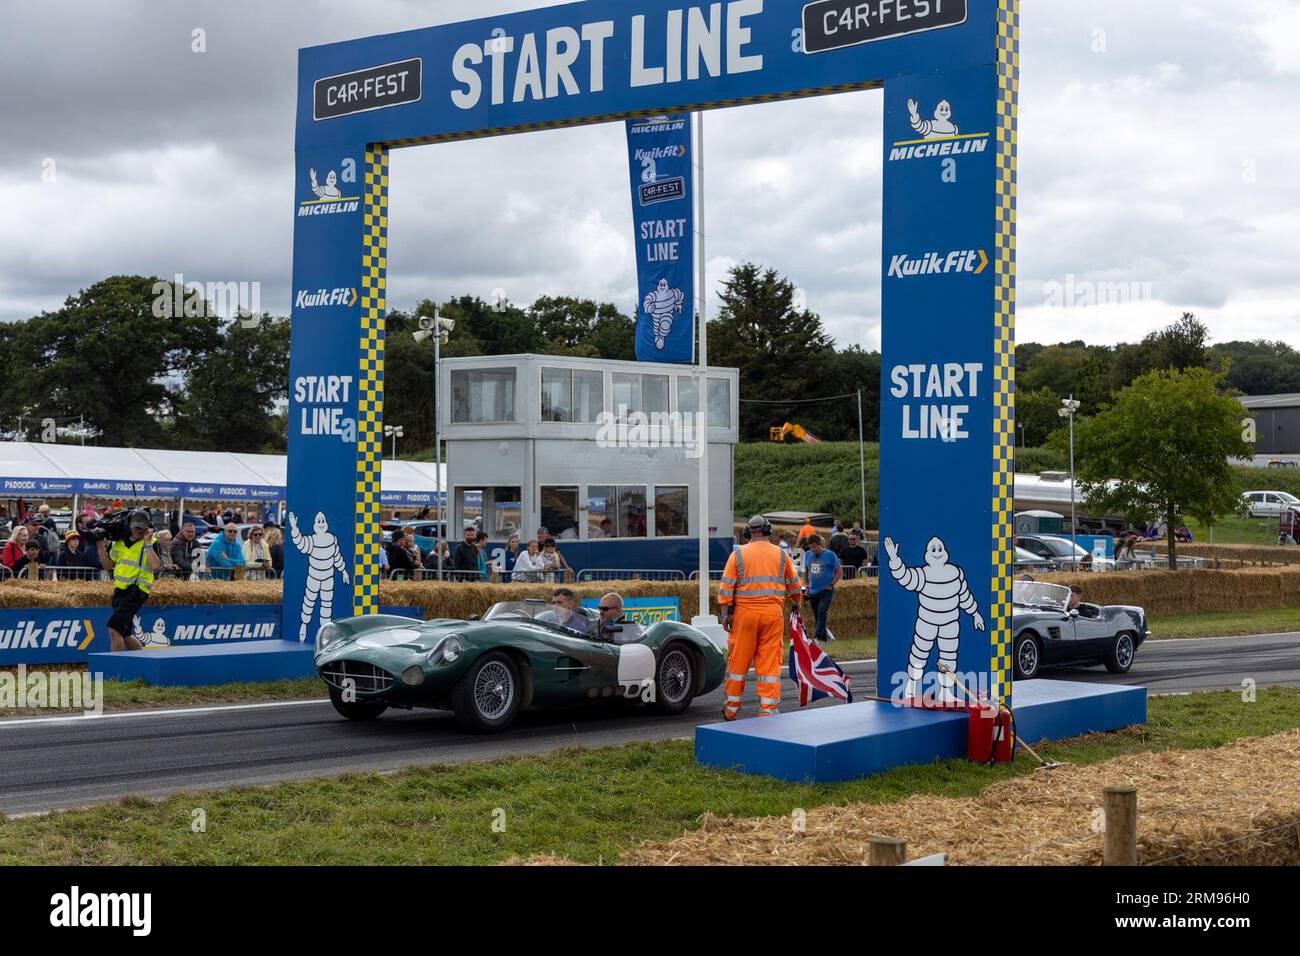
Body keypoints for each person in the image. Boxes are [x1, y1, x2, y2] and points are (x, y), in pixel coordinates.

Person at [718, 515, 802, 720]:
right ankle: (768, 709)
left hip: (744, 616)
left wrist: (725, 614)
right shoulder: (782, 555)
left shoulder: (737, 555)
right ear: (768, 530)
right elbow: (795, 586)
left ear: (747, 532)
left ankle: (731, 709)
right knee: (769, 664)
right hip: (772, 615)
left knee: (738, 664)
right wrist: (796, 603)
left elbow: (726, 588)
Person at [96, 511, 161, 652]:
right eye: (136, 527)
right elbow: (108, 566)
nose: (138, 531)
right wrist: (100, 546)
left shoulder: (152, 543)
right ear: (129, 525)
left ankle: (115, 670)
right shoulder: (117, 543)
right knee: (125, 634)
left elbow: (155, 566)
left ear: (148, 527)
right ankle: (143, 662)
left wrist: (148, 544)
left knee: (114, 629)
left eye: (142, 528)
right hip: (119, 591)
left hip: (137, 592)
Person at [802, 534, 842, 644]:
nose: (812, 550)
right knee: (817, 616)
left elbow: (839, 572)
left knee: (821, 612)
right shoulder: (807, 555)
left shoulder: (830, 555)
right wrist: (806, 586)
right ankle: (824, 640)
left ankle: (816, 638)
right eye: (811, 547)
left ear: (820, 545)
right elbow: (806, 572)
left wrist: (831, 584)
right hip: (813, 590)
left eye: (814, 547)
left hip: (826, 590)